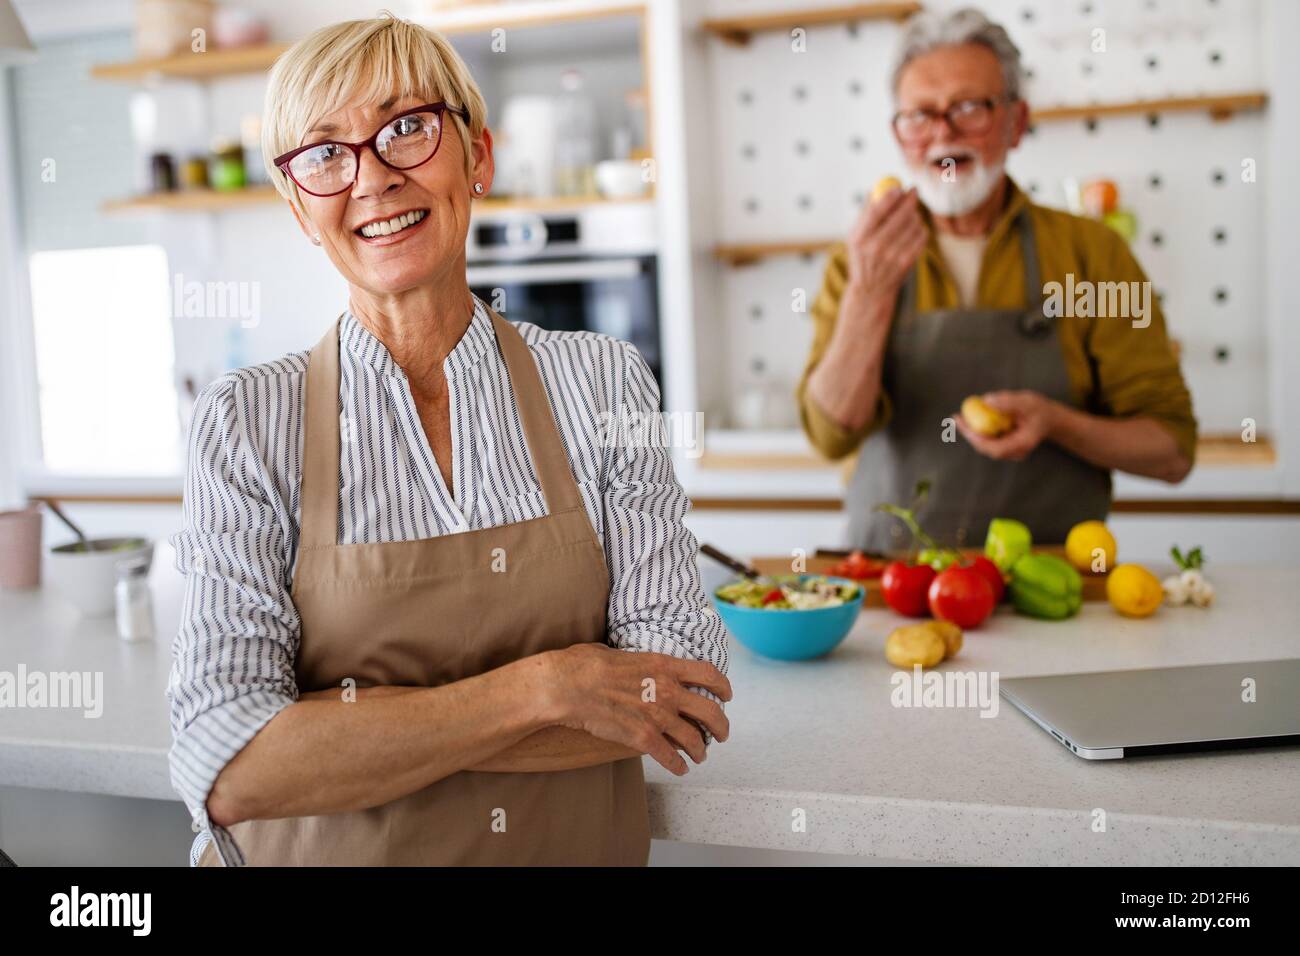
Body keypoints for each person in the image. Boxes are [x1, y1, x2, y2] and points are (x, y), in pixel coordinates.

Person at [166, 13, 730, 867]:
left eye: (407, 128)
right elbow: (232, 763)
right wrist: (547, 688)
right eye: (325, 153)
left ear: (478, 156)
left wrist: (335, 742)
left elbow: (675, 691)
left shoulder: (603, 382)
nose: (373, 179)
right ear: (298, 209)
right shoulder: (246, 422)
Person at [797, 7, 1196, 551]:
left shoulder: (1094, 255)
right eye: (919, 115)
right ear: (897, 134)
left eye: (968, 107)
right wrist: (870, 292)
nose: (942, 133)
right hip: (894, 588)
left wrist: (1057, 423)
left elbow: (1172, 451)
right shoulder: (858, 259)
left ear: (1016, 121)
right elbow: (829, 434)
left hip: (1053, 591)